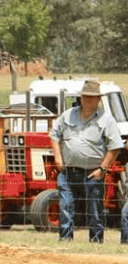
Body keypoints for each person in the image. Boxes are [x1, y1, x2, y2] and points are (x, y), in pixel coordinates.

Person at [50, 80, 123, 243]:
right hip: (68, 171)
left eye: (93, 97)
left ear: (98, 100)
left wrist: (103, 169)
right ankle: (65, 239)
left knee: (95, 211)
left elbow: (115, 147)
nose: (89, 100)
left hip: (93, 172)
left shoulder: (106, 120)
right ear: (81, 98)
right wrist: (57, 157)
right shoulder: (67, 115)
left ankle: (96, 241)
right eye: (86, 97)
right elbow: (54, 136)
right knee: (66, 207)